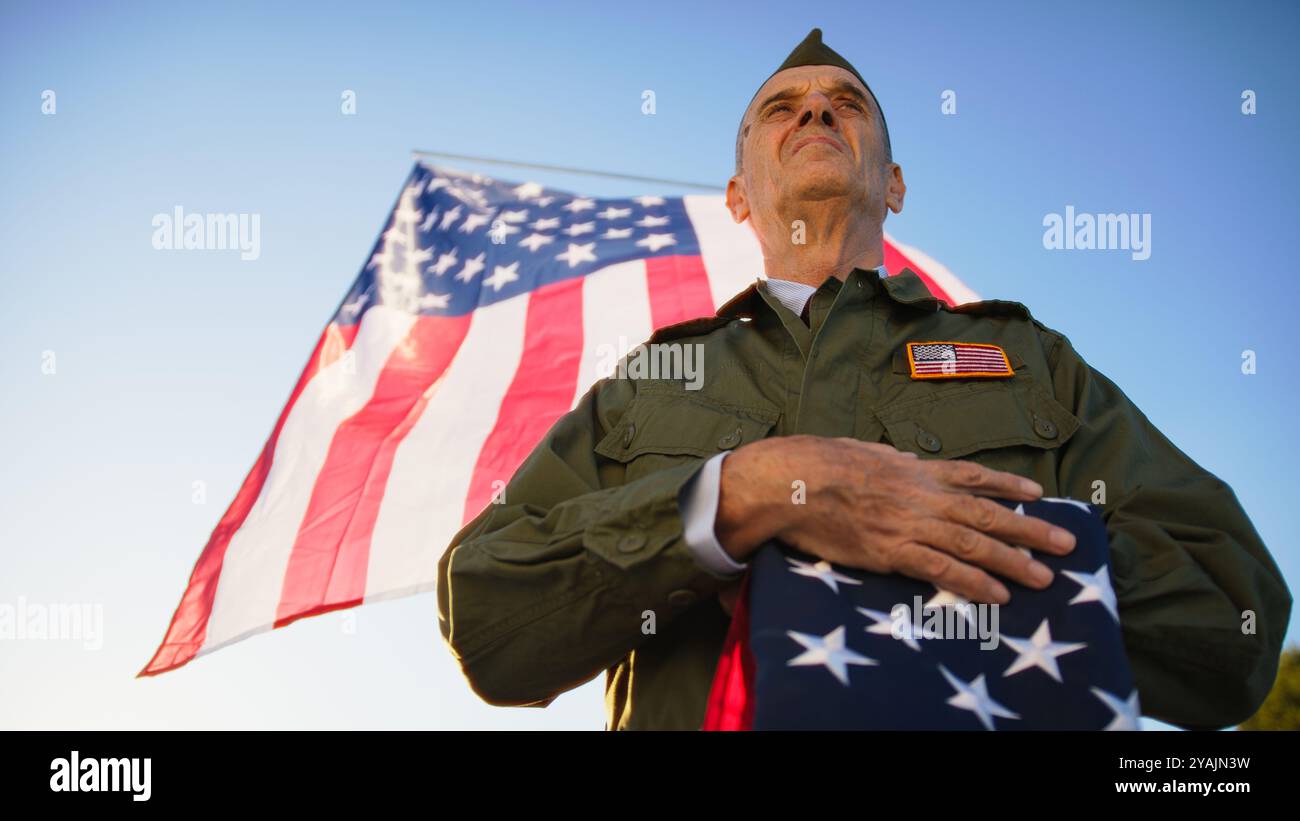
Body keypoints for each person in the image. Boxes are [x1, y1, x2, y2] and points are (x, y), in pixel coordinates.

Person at [436, 28, 1292, 730]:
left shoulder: (1034, 361)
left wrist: (988, 531)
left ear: (895, 182)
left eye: (846, 105)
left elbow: (1236, 622)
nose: (814, 108)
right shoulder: (652, 382)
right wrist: (733, 498)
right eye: (782, 108)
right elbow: (486, 615)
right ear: (739, 195)